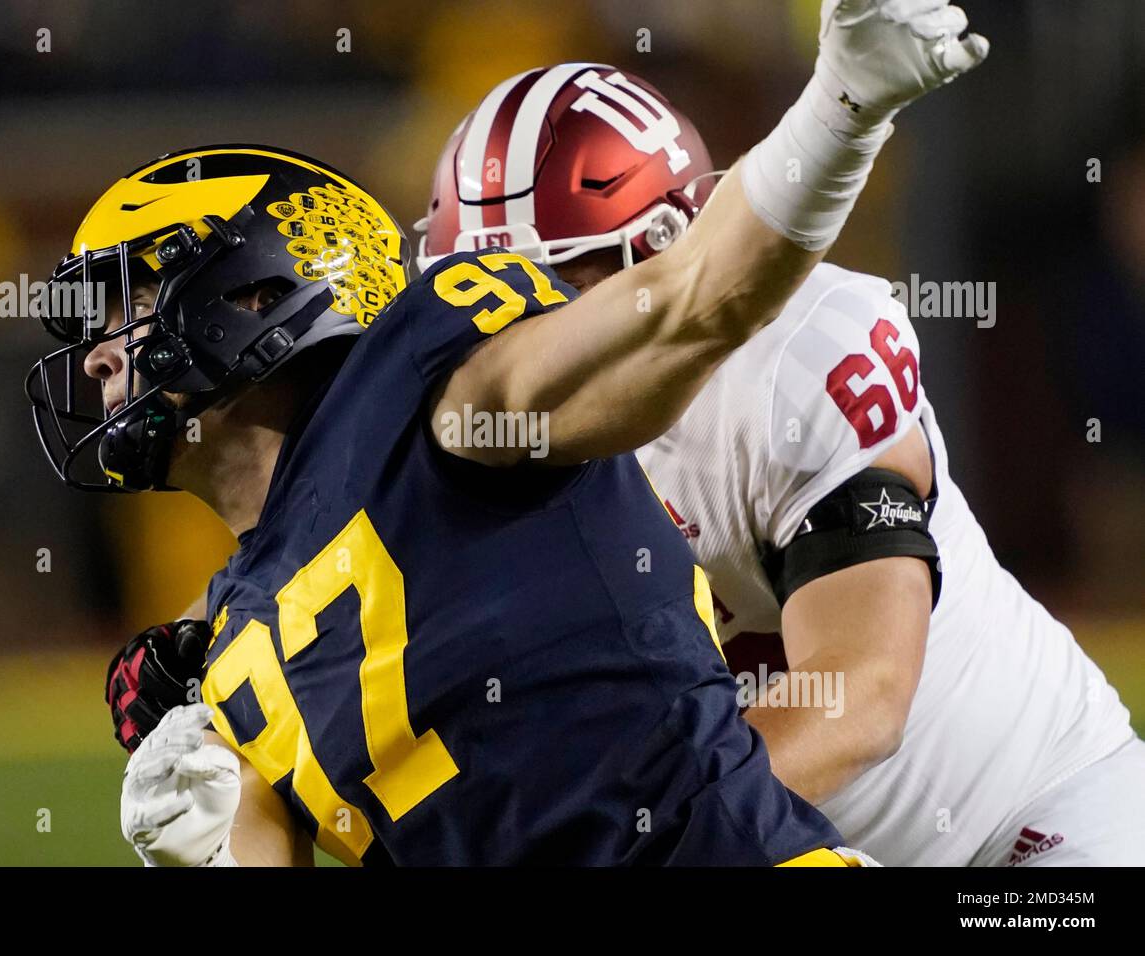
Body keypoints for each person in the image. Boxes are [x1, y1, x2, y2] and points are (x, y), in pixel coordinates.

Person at [49, 0, 987, 865]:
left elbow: (689, 305)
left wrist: (843, 105)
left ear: (255, 293)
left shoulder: (435, 393)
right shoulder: (234, 639)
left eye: (127, 307)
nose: (96, 359)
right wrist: (216, 837)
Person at [415, 59, 1144, 865]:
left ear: (668, 255)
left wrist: (651, 833)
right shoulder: (459, 428)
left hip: (1027, 819)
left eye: (553, 284)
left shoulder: (797, 354)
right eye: (480, 294)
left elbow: (861, 692)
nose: (522, 334)